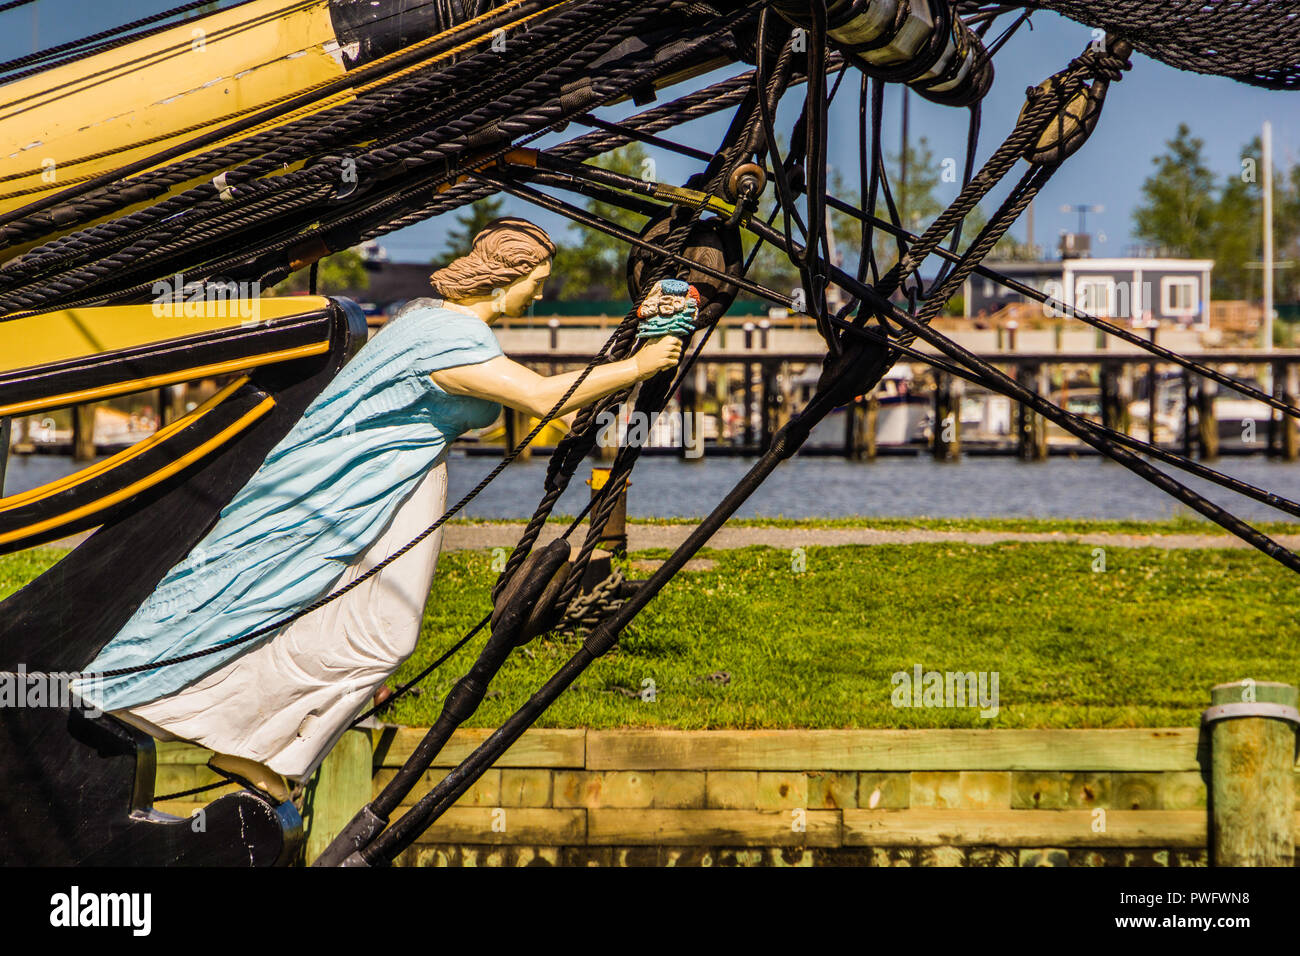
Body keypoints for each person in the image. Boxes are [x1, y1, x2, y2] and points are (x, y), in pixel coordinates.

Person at [72, 218, 682, 801]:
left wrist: (635, 357)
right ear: (503, 278)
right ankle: (246, 744)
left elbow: (552, 400)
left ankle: (261, 749)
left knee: (351, 630)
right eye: (537, 282)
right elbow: (542, 396)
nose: (541, 294)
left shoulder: (434, 323)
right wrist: (638, 365)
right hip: (361, 491)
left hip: (392, 488)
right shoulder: (446, 337)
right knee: (377, 637)